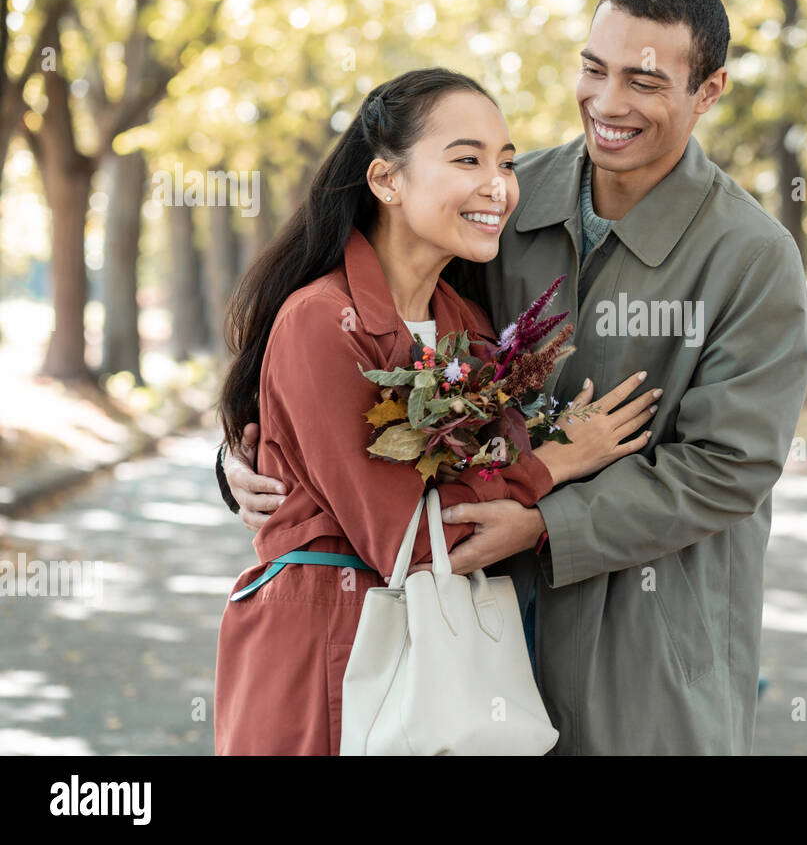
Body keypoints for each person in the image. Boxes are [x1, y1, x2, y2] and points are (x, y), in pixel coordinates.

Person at [222, 0, 807, 754]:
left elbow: (730, 465)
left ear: (708, 92)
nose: (608, 103)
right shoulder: (502, 202)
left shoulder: (752, 257)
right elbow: (369, 349)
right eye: (594, 69)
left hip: (644, 646)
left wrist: (543, 523)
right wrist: (249, 456)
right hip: (465, 633)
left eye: (644, 80)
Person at [212, 67, 656, 754]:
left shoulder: (468, 323)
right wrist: (563, 459)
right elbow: (413, 543)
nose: (499, 185)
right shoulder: (321, 321)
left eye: (506, 163)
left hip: (435, 660)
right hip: (324, 657)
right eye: (467, 159)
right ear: (388, 182)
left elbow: (477, 481)